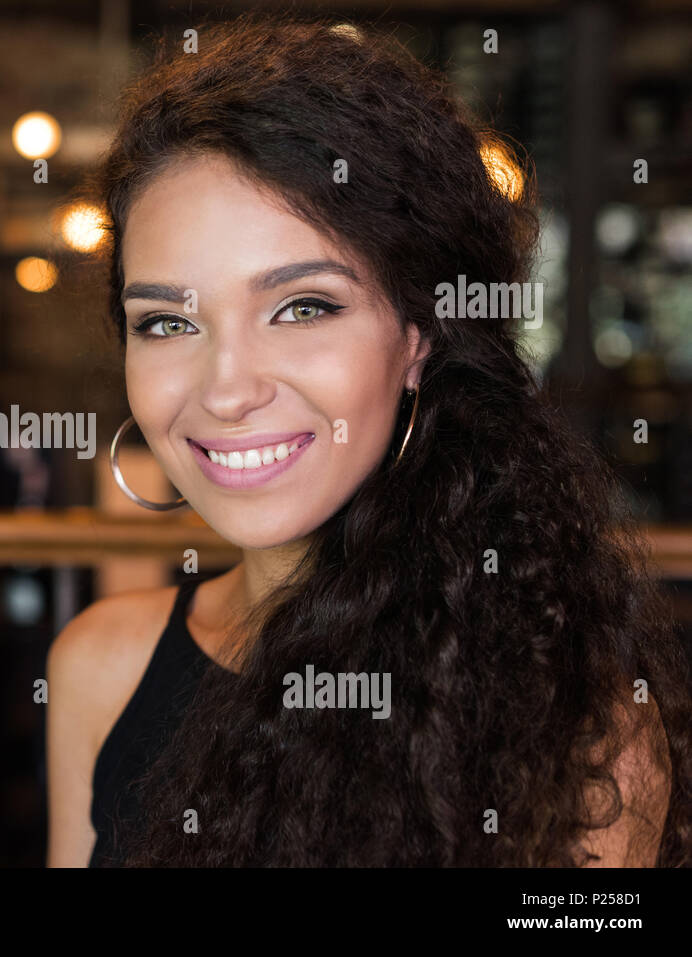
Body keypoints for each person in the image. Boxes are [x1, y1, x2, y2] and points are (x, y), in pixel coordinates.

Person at [45, 13, 690, 867]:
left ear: (419, 335)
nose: (228, 387)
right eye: (166, 321)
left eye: (304, 307)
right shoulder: (98, 668)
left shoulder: (578, 732)